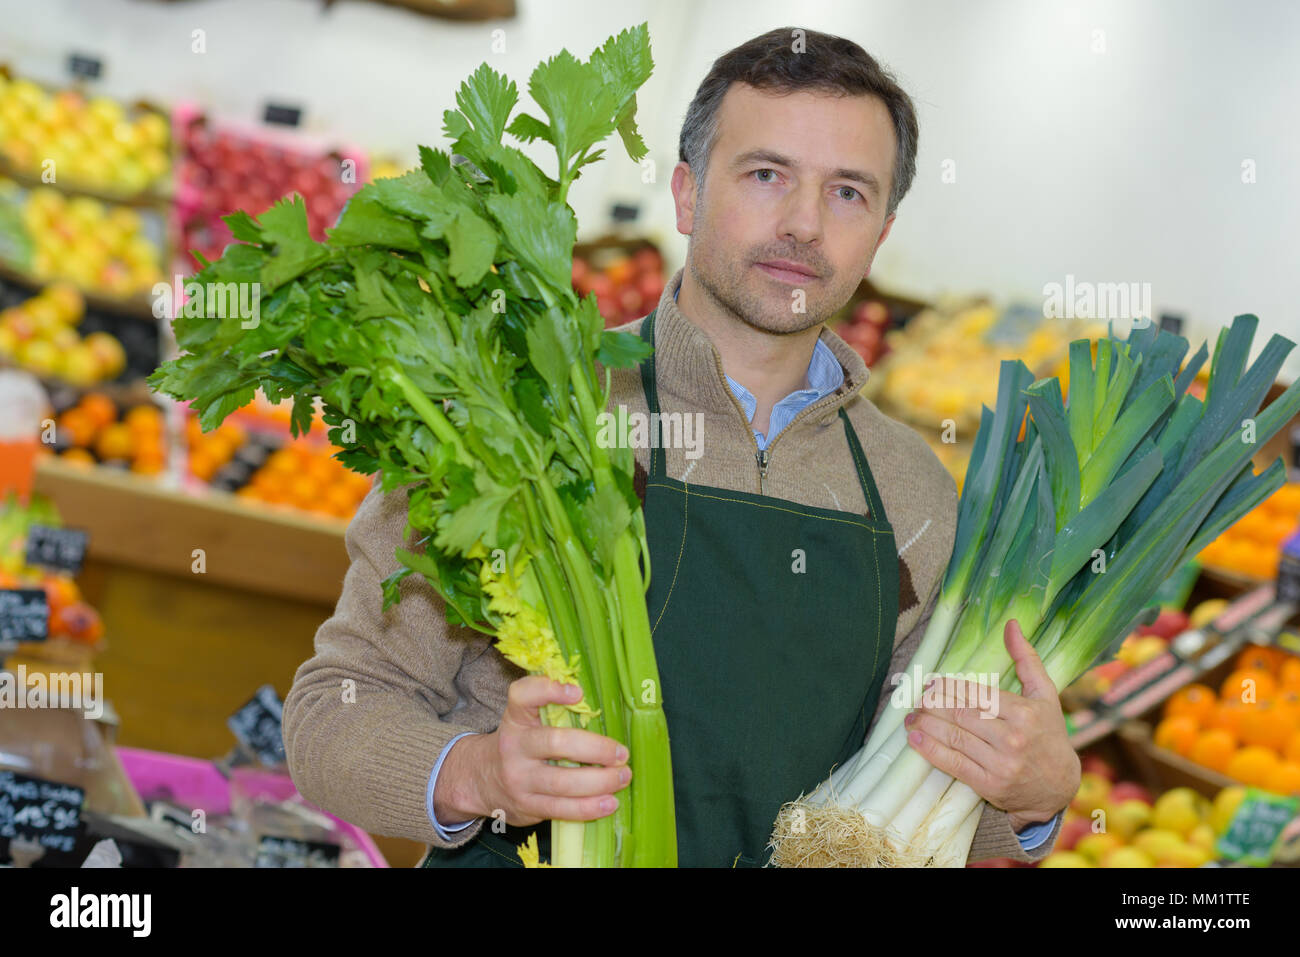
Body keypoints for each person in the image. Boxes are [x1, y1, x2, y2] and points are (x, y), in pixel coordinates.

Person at [282, 26, 1079, 867]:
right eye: (767, 175)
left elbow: (916, 808)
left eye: (848, 192)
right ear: (688, 194)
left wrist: (1034, 798)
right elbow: (334, 710)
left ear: (882, 232)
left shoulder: (912, 489)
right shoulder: (523, 417)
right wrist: (477, 772)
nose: (804, 224)